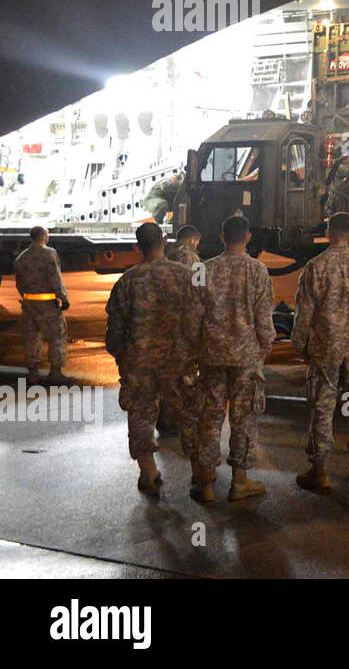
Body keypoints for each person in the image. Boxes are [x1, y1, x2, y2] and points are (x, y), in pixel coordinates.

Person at [292, 212, 349, 490]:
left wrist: (300, 345)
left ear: (329, 232)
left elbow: (304, 312)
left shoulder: (315, 267)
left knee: (322, 408)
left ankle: (319, 471)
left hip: (325, 347)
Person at [104, 223, 196, 496]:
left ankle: (148, 471)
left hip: (139, 363)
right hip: (178, 361)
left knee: (141, 416)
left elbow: (115, 332)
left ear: (136, 247)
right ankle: (202, 473)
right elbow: (198, 321)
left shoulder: (127, 282)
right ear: (165, 240)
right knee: (189, 413)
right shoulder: (186, 276)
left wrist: (123, 356)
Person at [191, 214, 275, 503]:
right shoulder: (258, 270)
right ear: (248, 237)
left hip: (211, 356)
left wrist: (193, 352)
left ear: (222, 237)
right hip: (245, 356)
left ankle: (206, 483)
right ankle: (240, 481)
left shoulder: (201, 269)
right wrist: (264, 349)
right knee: (243, 419)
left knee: (210, 418)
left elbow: (191, 318)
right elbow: (264, 319)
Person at [162, 225, 203, 454]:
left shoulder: (166, 253)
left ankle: (165, 419)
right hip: (183, 326)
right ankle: (185, 428)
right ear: (194, 240)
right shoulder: (193, 258)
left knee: (166, 375)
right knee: (186, 379)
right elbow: (201, 290)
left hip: (162, 325)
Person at [13, 226, 69, 384]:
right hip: (47, 304)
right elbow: (55, 278)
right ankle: (55, 373)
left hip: (29, 303)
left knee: (31, 338)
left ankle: (33, 374)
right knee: (56, 335)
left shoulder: (21, 258)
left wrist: (27, 298)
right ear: (44, 236)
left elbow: (19, 284)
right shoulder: (49, 253)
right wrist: (63, 298)